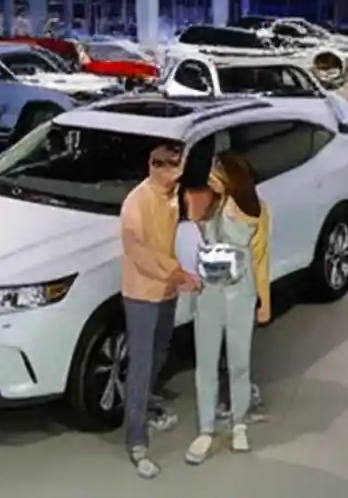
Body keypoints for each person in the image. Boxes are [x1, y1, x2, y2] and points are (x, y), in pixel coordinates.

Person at [182, 153, 272, 465]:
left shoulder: (256, 210)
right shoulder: (207, 203)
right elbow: (191, 219)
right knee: (205, 364)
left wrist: (265, 301)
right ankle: (205, 429)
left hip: (241, 291)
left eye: (215, 172)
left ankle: (239, 424)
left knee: (239, 362)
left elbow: (261, 258)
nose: (210, 177)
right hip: (209, 292)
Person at [119, 141, 199, 479]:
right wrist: (179, 274)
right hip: (141, 294)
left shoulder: (173, 195)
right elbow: (141, 255)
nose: (178, 174)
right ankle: (136, 441)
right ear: (156, 166)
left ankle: (147, 407)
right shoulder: (135, 204)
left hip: (167, 291)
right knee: (141, 363)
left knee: (160, 351)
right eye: (173, 167)